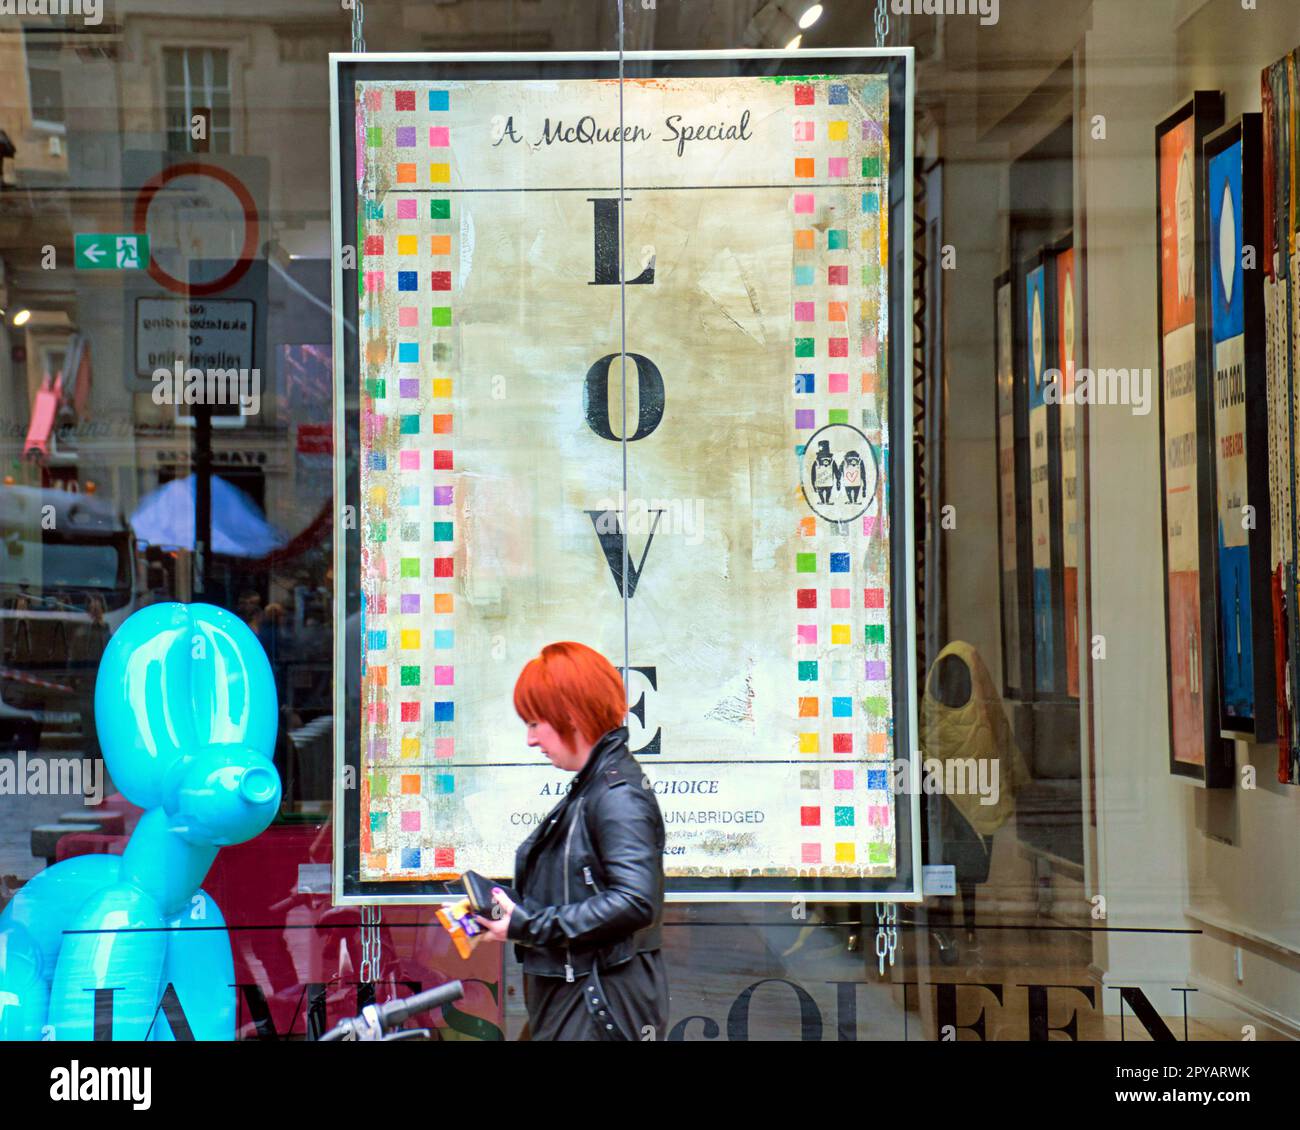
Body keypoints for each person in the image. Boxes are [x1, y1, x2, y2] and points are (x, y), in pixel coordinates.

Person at [474, 641, 668, 1041]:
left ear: (570, 716)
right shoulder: (596, 788)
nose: (530, 739)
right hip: (580, 1001)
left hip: (595, 1005)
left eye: (534, 722)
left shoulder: (616, 795)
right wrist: (506, 911)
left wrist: (528, 924)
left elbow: (635, 901)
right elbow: (576, 891)